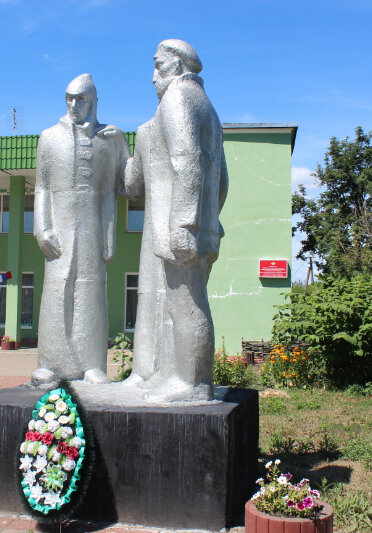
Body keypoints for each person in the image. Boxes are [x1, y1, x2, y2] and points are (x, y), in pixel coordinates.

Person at [123, 39, 229, 402]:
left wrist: (184, 224)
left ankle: (193, 384)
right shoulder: (208, 106)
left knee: (187, 305)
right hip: (202, 223)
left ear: (180, 65)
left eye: (159, 65)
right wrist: (208, 218)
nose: (153, 76)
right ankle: (176, 377)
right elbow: (222, 179)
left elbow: (186, 161)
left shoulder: (177, 97)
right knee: (184, 304)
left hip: (184, 227)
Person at [31, 73, 130, 387]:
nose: (74, 104)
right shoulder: (49, 137)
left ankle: (92, 365)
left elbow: (128, 185)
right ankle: (50, 364)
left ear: (94, 101)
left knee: (91, 292)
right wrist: (41, 228)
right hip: (59, 229)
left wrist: (122, 144)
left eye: (81, 99)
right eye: (69, 98)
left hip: (93, 227)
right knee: (56, 292)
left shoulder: (108, 139)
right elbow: (42, 187)